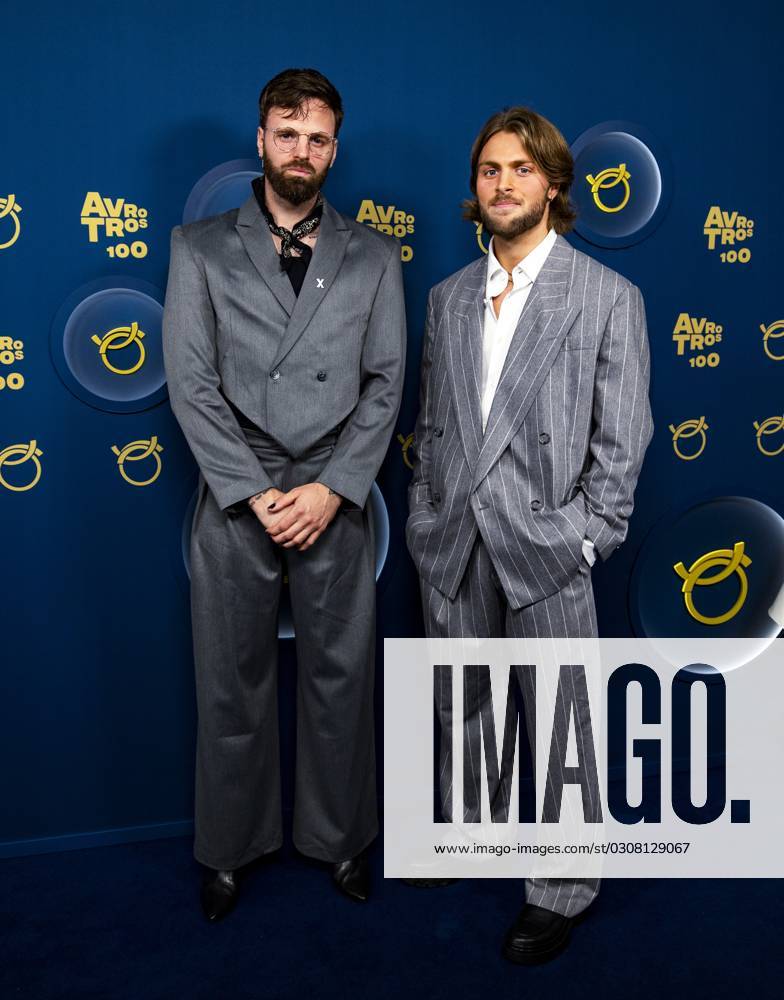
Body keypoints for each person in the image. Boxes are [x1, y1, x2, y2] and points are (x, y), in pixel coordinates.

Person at [405, 106, 653, 963]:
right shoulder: (445, 300)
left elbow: (622, 441)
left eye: (519, 169)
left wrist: (588, 536)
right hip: (455, 536)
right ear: (474, 188)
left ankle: (561, 888)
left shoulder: (606, 296)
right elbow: (435, 423)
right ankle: (470, 834)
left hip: (547, 542)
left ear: (552, 183)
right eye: (488, 170)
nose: (502, 184)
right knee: (460, 701)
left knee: (559, 719)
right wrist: (426, 512)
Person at [163, 68, 406, 921]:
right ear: (260, 138)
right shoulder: (196, 247)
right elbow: (189, 384)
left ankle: (340, 842)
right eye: (287, 132)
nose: (303, 150)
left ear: (335, 148)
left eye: (319, 137)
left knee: (341, 680)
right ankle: (230, 850)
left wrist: (334, 489)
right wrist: (254, 492)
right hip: (239, 497)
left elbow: (385, 385)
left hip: (334, 500)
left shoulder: (374, 254)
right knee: (230, 681)